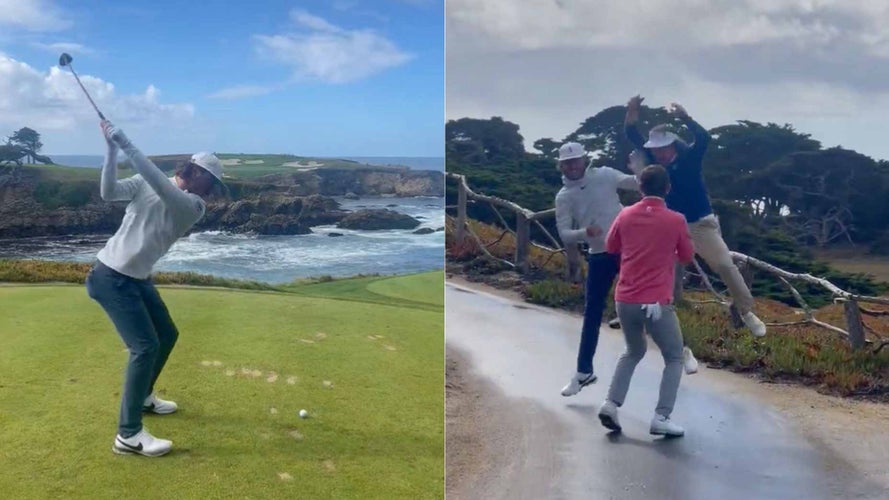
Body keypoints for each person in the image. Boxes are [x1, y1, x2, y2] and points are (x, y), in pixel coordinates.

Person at [86, 120, 226, 457]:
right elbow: (109, 192)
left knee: (167, 334)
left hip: (137, 278)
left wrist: (127, 143)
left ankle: (144, 396)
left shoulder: (193, 206)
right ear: (196, 171)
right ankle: (128, 435)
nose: (213, 189)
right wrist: (111, 150)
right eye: (212, 180)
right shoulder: (151, 183)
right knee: (145, 347)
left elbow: (162, 187)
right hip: (110, 276)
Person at [624, 96, 766, 337]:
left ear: (673, 145)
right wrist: (632, 110)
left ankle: (746, 311)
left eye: (664, 148)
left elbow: (704, 138)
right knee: (652, 268)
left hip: (701, 225)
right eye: (656, 149)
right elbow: (631, 133)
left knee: (723, 264)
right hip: (669, 226)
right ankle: (634, 312)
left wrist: (685, 117)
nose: (660, 153)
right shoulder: (652, 162)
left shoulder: (690, 158)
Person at [597, 165, 694, 437]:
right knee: (674, 357)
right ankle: (662, 417)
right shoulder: (676, 220)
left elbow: (611, 246)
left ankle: (610, 404)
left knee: (633, 351)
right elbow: (686, 255)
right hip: (657, 303)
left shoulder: (625, 215)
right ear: (667, 188)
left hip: (625, 298)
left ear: (640, 187)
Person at [554, 142, 638, 397]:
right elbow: (565, 233)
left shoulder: (605, 175)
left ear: (584, 160)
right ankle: (583, 372)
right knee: (591, 313)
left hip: (627, 247)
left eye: (576, 160)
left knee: (647, 299)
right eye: (567, 162)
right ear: (561, 165)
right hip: (599, 253)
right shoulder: (564, 196)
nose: (572, 165)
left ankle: (680, 350)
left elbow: (637, 183)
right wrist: (584, 233)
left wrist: (642, 164)